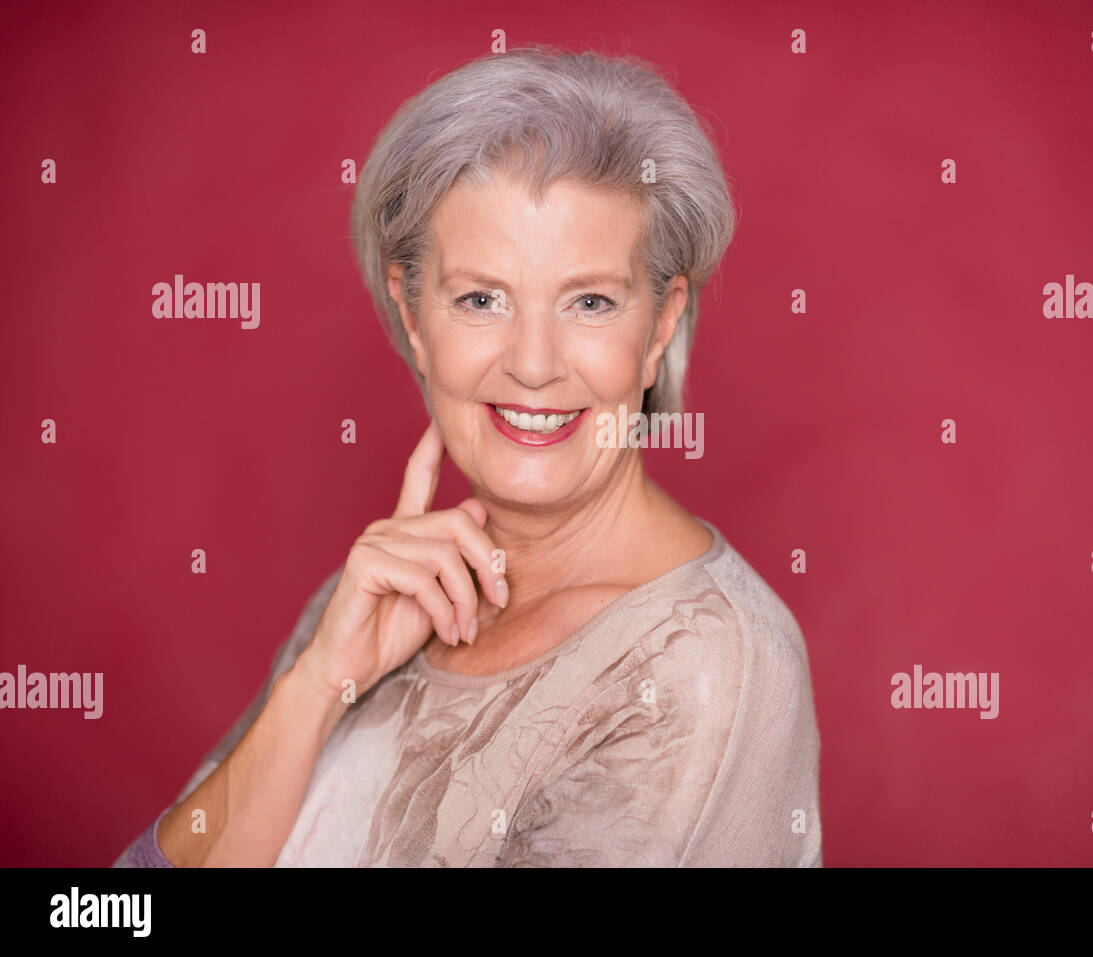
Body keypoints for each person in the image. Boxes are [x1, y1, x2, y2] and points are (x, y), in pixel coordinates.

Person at [113, 43, 821, 867]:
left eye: (590, 301)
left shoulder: (704, 669)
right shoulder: (372, 600)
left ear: (660, 322)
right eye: (481, 298)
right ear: (413, 313)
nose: (532, 362)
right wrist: (315, 685)